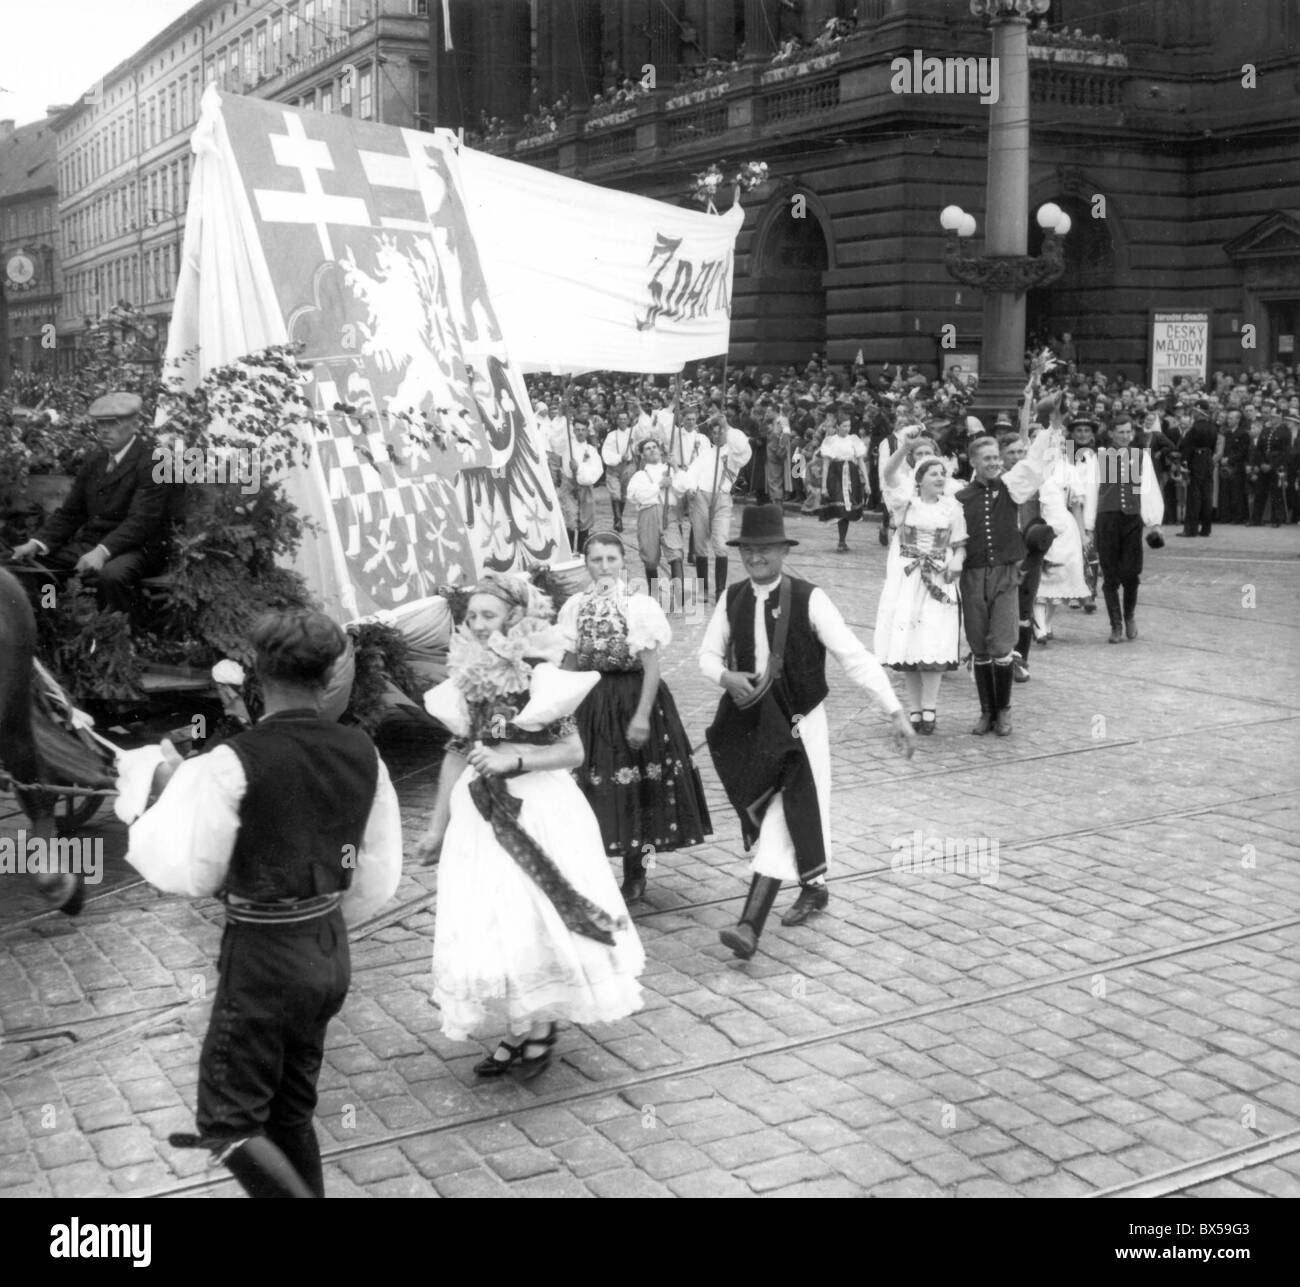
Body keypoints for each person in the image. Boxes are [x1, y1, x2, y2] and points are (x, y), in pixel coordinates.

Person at [116, 609, 403, 1197]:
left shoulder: (229, 763)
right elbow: (372, 868)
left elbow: (195, 873)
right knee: (290, 1112)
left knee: (228, 1124)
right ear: (328, 679)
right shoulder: (363, 753)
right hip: (328, 948)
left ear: (256, 674)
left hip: (263, 955)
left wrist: (168, 793)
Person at [417, 574, 644, 1077]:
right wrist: (436, 827)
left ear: (514, 620)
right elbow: (457, 754)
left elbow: (573, 751)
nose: (478, 626)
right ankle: (520, 1024)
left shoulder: (540, 677)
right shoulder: (465, 681)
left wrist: (514, 760)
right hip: (480, 817)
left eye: (489, 616)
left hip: (536, 809)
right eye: (471, 617)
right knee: (494, 916)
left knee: (532, 912)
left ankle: (539, 1025)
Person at [700, 505, 915, 959]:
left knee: (788, 808)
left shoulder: (811, 598)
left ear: (782, 550)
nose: (756, 558)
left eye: (765, 549)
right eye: (749, 550)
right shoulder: (732, 598)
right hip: (752, 724)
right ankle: (815, 885)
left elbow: (854, 656)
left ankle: (749, 925)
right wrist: (727, 678)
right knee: (773, 806)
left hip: (801, 722)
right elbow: (707, 657)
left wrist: (894, 710)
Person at [559, 534, 712, 902]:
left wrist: (642, 716)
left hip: (633, 697)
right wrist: (559, 711)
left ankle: (636, 871)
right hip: (592, 702)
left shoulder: (638, 606)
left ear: (623, 564)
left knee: (638, 784)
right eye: (596, 560)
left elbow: (652, 669)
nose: (604, 567)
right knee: (590, 784)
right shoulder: (575, 606)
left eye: (611, 559)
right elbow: (569, 662)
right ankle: (587, 869)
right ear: (587, 564)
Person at [11, 391, 169, 615]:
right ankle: (52, 616)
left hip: (137, 549)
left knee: (111, 576)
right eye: (100, 424)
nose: (104, 430)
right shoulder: (95, 461)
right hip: (94, 544)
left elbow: (141, 521)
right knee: (38, 566)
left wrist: (102, 552)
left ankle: (117, 637)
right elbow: (71, 513)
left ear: (135, 424)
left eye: (113, 423)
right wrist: (36, 543)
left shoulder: (154, 461)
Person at [956, 417, 1060, 737]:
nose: (993, 464)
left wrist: (1048, 428)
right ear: (973, 461)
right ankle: (986, 711)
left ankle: (1004, 712)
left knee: (1002, 643)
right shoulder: (960, 498)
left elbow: (1032, 464)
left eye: (996, 459)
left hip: (1005, 575)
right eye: (986, 459)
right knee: (979, 645)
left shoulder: (1011, 488)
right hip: (972, 577)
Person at [874, 432, 967, 734]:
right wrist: (906, 447)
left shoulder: (951, 507)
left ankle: (930, 707)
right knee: (909, 644)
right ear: (920, 478)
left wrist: (957, 559)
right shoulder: (906, 503)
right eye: (933, 473)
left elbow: (961, 543)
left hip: (939, 576)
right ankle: (914, 708)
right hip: (909, 578)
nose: (940, 478)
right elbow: (888, 474)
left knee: (932, 641)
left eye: (943, 473)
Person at [1081, 416, 1165, 643]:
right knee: (1109, 576)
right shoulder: (1099, 458)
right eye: (1121, 432)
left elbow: (1149, 490)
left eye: (1129, 432)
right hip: (1107, 521)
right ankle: (1115, 624)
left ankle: (1129, 616)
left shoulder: (1140, 457)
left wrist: (1153, 521)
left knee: (1131, 572)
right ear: (1111, 433)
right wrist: (1088, 526)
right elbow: (1091, 492)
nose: (1126, 436)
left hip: (1131, 521)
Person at [683, 410, 752, 601]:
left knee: (721, 543)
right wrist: (690, 487)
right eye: (714, 432)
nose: (717, 435)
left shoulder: (734, 453)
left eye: (720, 432)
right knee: (700, 544)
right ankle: (703, 589)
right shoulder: (705, 453)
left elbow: (744, 449)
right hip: (701, 497)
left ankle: (720, 589)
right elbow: (692, 472)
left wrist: (727, 426)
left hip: (721, 497)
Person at [626, 439, 690, 609]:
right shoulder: (639, 476)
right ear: (642, 454)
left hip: (669, 513)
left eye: (654, 447)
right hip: (648, 514)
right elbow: (636, 496)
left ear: (660, 450)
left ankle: (679, 595)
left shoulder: (668, 469)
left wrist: (675, 467)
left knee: (675, 552)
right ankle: (654, 596)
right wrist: (659, 485)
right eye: (648, 448)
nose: (652, 450)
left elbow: (684, 487)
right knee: (650, 557)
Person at [818, 415, 870, 551]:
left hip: (851, 475)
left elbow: (860, 461)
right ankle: (841, 540)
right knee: (840, 505)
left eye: (849, 426)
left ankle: (842, 540)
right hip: (835, 474)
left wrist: (867, 482)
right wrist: (824, 485)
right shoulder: (830, 441)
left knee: (848, 507)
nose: (847, 429)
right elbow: (826, 464)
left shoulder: (854, 440)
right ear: (837, 427)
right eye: (844, 426)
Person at [556, 418, 604, 555]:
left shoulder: (591, 450)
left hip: (584, 486)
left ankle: (582, 554)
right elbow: (554, 440)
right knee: (570, 519)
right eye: (577, 429)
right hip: (568, 486)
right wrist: (563, 418)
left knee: (585, 520)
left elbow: (597, 471)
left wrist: (580, 469)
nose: (580, 432)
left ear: (588, 431)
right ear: (573, 430)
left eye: (583, 430)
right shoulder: (566, 446)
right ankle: (569, 553)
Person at [1177, 400, 1219, 537]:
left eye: (1195, 411)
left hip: (1196, 459)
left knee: (1194, 496)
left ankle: (1191, 529)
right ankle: (1206, 528)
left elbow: (1186, 445)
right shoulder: (1213, 427)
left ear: (1198, 411)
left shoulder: (1194, 428)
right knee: (1207, 495)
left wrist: (1183, 460)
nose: (1193, 413)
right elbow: (1213, 446)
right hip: (1207, 458)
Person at [600, 410, 636, 532]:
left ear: (628, 420)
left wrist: (633, 445)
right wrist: (619, 457)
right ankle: (618, 519)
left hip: (628, 467)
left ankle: (619, 516)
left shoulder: (633, 433)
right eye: (620, 418)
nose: (622, 421)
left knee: (624, 494)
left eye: (625, 418)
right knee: (615, 493)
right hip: (615, 467)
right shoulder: (611, 435)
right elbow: (606, 451)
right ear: (616, 420)